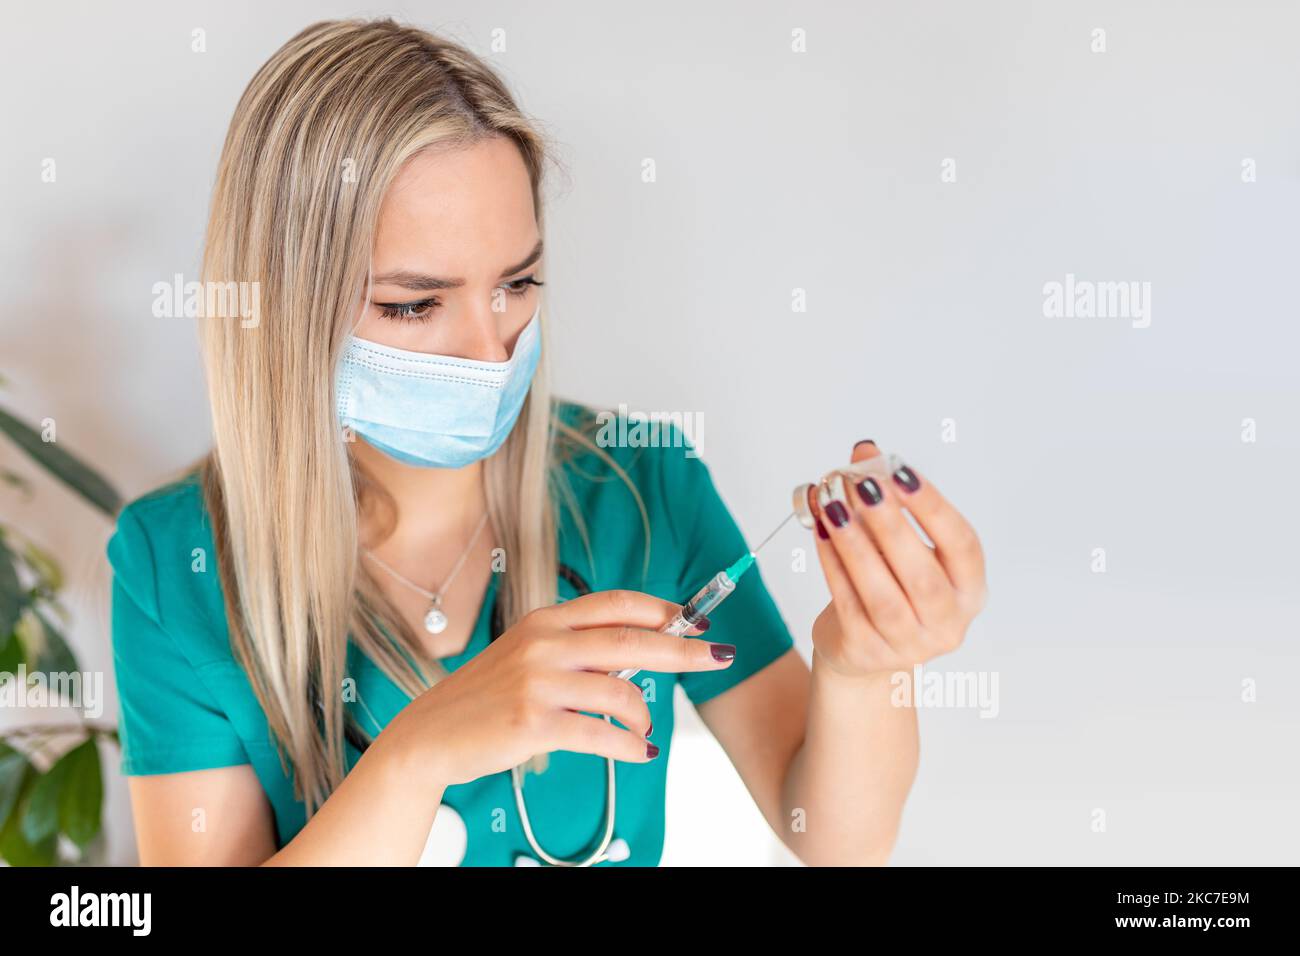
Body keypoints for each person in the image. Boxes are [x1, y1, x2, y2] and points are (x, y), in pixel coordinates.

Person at [107, 18, 987, 866]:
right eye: (414, 304)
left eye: (518, 283)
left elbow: (837, 840)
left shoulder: (642, 487)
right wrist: (419, 754)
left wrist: (864, 669)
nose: (491, 351)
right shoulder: (175, 564)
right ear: (283, 303)